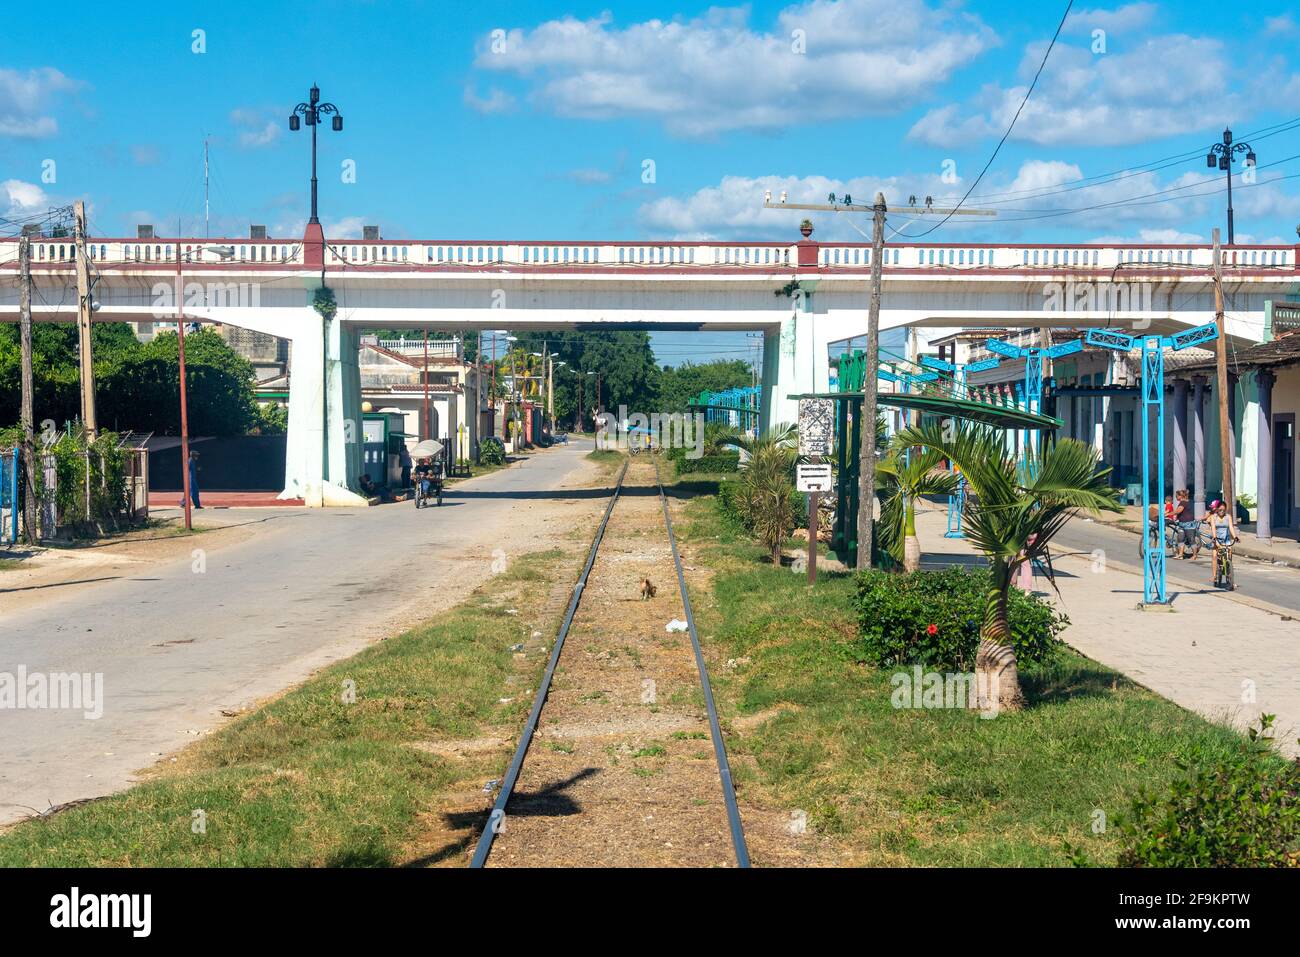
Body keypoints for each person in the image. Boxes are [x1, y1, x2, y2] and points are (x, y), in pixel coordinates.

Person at [1203, 499, 1239, 584]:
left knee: (1229, 553)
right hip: (1217, 539)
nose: (1222, 511)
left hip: (1226, 539)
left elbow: (1231, 528)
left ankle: (1229, 574)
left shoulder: (1228, 517)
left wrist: (1235, 537)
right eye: (1220, 510)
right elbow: (1213, 529)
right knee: (1215, 556)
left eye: (1223, 510)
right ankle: (1214, 576)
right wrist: (1215, 539)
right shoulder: (1213, 517)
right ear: (1217, 509)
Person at [1173, 488, 1199, 560]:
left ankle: (1194, 555)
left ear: (1180, 496)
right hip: (1182, 524)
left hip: (1188, 524)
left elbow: (1178, 511)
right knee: (1180, 539)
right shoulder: (1186, 501)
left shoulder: (1183, 502)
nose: (1176, 497)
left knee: (1191, 540)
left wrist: (1168, 514)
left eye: (1176, 496)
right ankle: (1180, 555)